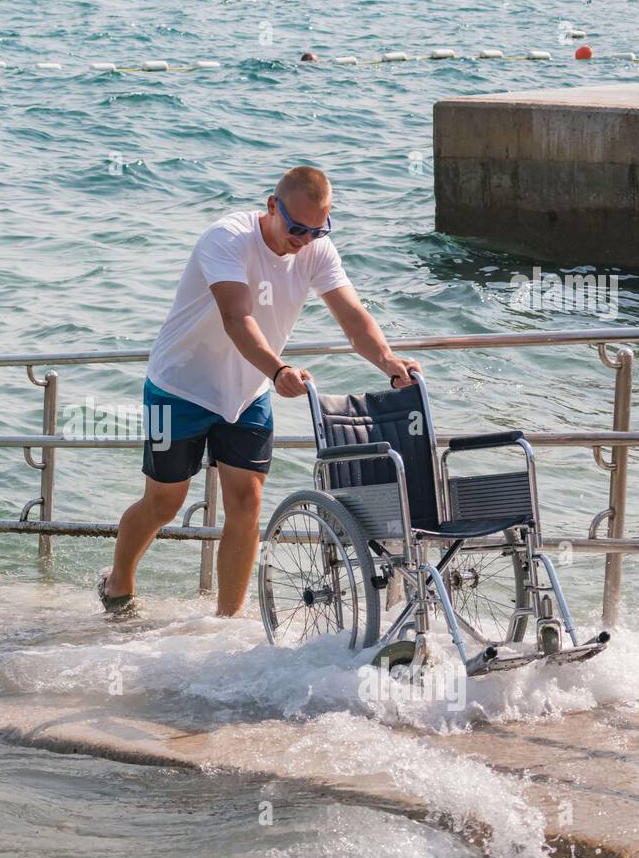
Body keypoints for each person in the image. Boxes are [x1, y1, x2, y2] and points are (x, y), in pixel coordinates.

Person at [97, 166, 421, 616]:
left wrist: (388, 361)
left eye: (317, 230)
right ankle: (118, 583)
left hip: (247, 393)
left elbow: (353, 318)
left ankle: (226, 621)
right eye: (297, 228)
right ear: (272, 206)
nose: (304, 240)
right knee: (163, 503)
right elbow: (237, 316)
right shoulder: (227, 237)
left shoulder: (317, 251)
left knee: (247, 502)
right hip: (176, 386)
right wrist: (278, 369)